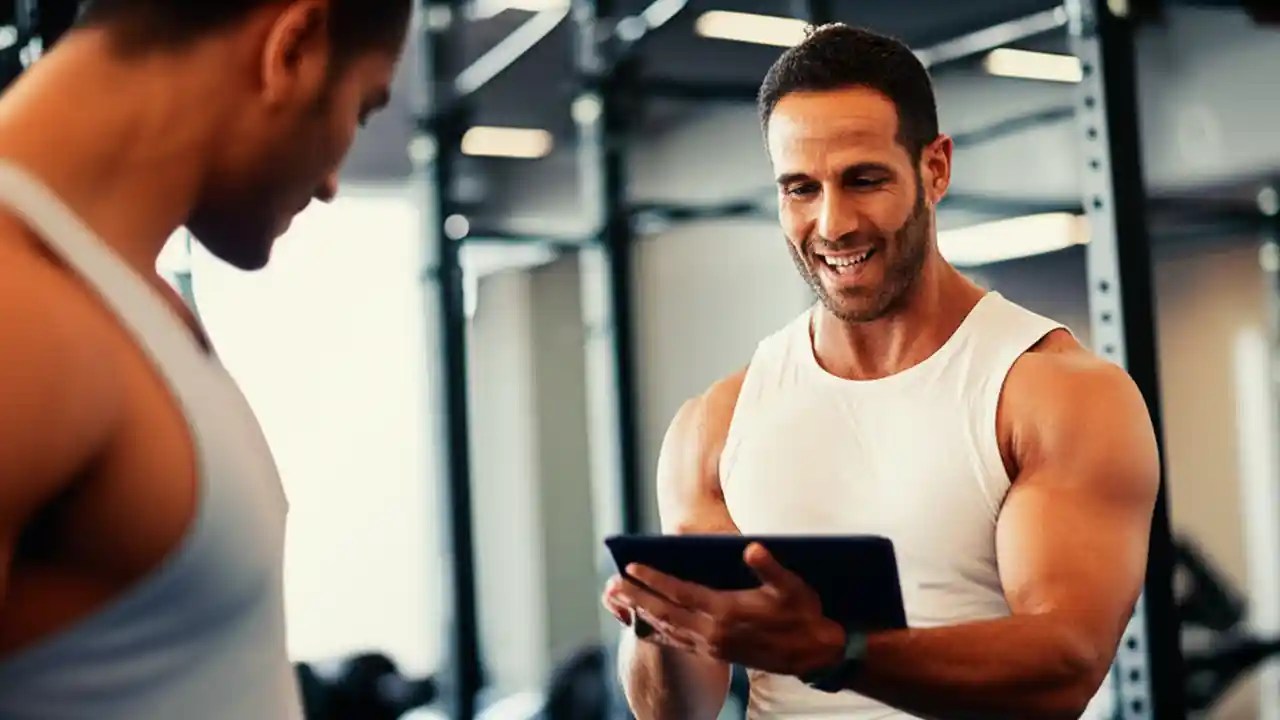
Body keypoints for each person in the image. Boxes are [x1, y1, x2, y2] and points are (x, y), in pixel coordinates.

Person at [602, 23, 1160, 720]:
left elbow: (1064, 666)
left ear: (934, 169)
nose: (832, 223)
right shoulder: (716, 425)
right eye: (800, 189)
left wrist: (835, 651)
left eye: (863, 180)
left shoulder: (1053, 394)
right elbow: (677, 713)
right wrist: (663, 624)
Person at [0, 1, 412, 717]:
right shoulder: (22, 307)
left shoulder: (114, 297)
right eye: (364, 108)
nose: (331, 182)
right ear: (294, 46)